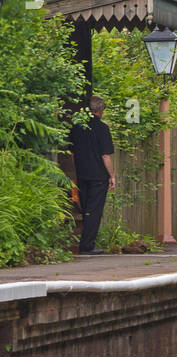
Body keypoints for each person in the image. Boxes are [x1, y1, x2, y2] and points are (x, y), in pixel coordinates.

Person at [70, 95, 116, 255]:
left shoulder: (77, 127)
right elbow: (106, 156)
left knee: (85, 210)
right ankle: (87, 246)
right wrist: (112, 175)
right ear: (100, 110)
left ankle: (85, 244)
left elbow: (72, 153)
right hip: (98, 176)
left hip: (82, 174)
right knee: (94, 211)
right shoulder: (103, 128)